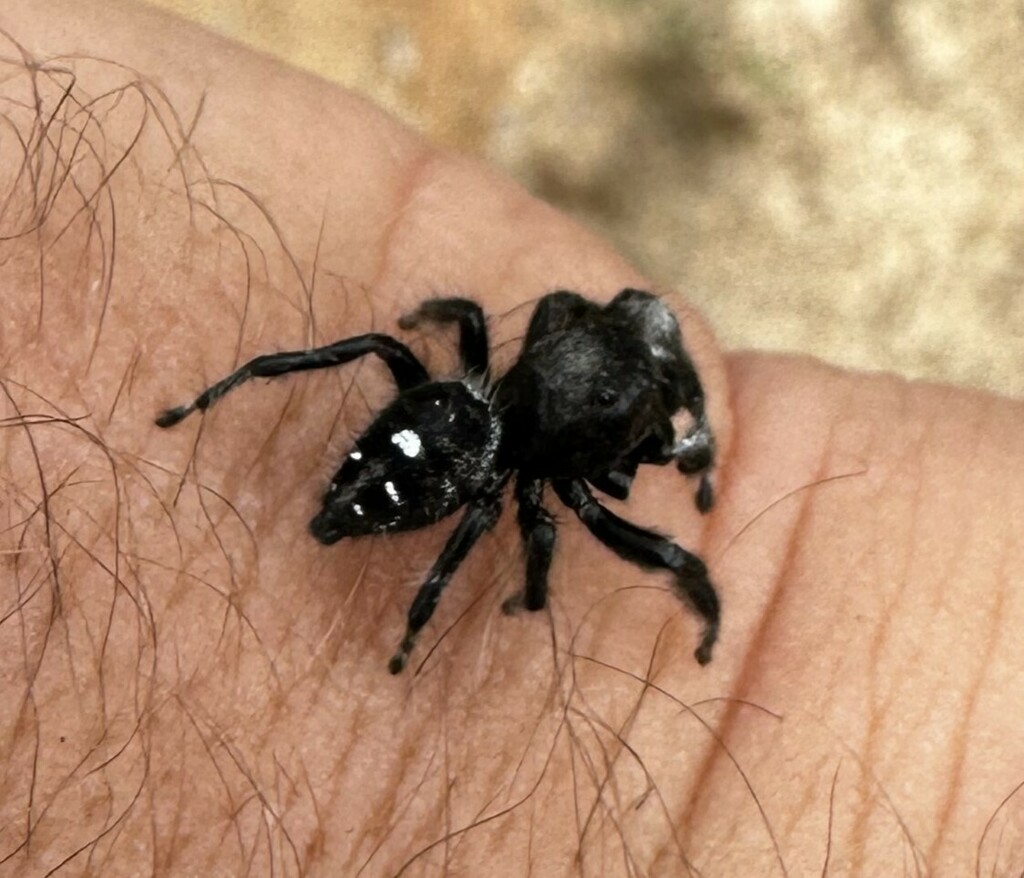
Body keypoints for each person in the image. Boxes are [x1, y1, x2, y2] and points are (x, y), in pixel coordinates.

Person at [2, 2, 1021, 874]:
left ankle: (218, 397)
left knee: (386, 358)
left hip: (460, 421)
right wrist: (473, 612)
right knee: (598, 538)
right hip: (460, 452)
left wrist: (437, 321)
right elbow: (583, 533)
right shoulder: (544, 482)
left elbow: (548, 310)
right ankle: (279, 462)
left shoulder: (521, 351)